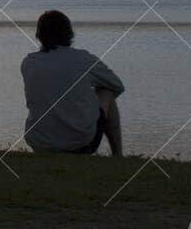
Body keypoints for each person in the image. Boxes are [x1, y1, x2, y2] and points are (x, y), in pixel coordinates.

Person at [21, 9, 122, 155]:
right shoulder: (83, 59)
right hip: (80, 146)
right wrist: (89, 103)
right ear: (69, 34)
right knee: (107, 90)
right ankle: (118, 155)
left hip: (39, 144)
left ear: (39, 35)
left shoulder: (28, 62)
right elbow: (116, 85)